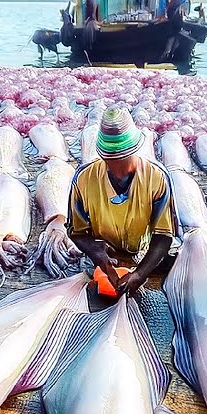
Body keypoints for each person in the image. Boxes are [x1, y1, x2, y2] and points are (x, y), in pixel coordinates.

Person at [67, 108, 177, 297]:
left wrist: (140, 274)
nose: (117, 170)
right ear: (102, 156)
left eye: (123, 160)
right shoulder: (84, 178)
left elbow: (164, 235)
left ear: (135, 151)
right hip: (103, 255)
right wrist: (96, 251)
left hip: (142, 251)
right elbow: (76, 231)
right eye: (110, 161)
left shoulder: (157, 177)